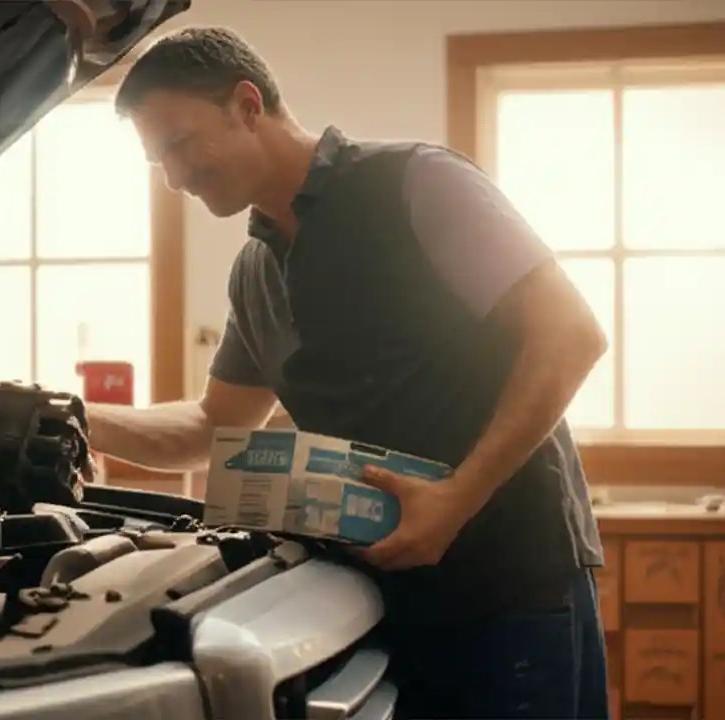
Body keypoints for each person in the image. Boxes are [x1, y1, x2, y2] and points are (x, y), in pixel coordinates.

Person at [87, 26, 610, 719]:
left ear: (247, 104)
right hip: (377, 601)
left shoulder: (418, 182)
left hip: (510, 592)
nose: (175, 178)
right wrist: (76, 418)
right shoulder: (254, 271)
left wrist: (458, 498)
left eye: (180, 145)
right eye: (159, 161)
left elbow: (572, 334)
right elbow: (212, 426)